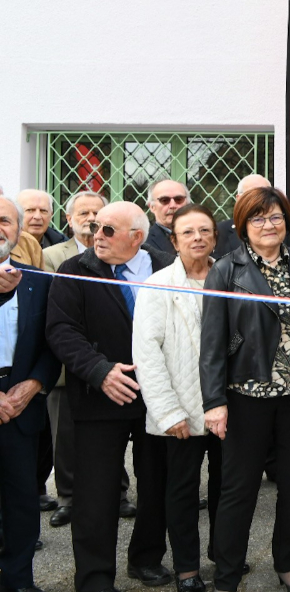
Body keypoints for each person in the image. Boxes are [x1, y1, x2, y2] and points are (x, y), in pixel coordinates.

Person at [46, 202, 175, 592]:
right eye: (93, 227)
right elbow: (61, 330)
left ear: (136, 237)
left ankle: (146, 559)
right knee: (95, 494)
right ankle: (95, 577)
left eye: (107, 230)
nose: (95, 236)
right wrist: (99, 370)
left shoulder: (167, 267)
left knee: (156, 484)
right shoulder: (74, 270)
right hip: (99, 396)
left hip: (157, 396)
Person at [200, 187, 290, 592]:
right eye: (258, 218)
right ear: (242, 225)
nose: (268, 225)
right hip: (246, 395)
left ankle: (286, 563)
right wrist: (214, 401)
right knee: (239, 489)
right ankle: (227, 573)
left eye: (275, 217)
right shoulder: (226, 270)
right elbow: (212, 342)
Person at [132, 204, 222, 592]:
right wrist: (167, 411)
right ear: (174, 241)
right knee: (182, 491)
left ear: (215, 237)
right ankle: (187, 569)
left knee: (226, 488)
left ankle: (224, 555)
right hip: (180, 409)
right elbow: (146, 353)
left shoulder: (230, 279)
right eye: (187, 232)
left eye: (204, 230)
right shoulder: (157, 286)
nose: (197, 238)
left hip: (227, 407)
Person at [41, 191, 124, 529]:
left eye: (97, 213)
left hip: (115, 363)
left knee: (112, 435)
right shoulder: (53, 256)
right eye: (84, 213)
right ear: (69, 218)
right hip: (69, 365)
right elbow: (53, 309)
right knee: (66, 438)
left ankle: (119, 492)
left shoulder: (125, 256)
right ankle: (68, 497)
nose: (91, 219)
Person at [0, 196, 58, 592]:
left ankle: (19, 581)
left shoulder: (40, 281)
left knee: (22, 502)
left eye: (5, 220)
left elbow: (53, 345)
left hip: (21, 408)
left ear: (18, 230)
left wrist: (35, 384)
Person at [213, 175, 290, 258]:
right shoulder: (220, 232)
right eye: (257, 220)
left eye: (276, 217)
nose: (269, 226)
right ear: (239, 199)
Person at [144, 179, 189, 255]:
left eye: (178, 199)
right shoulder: (143, 243)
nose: (172, 206)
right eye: (164, 200)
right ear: (152, 207)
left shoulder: (206, 235)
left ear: (187, 204)